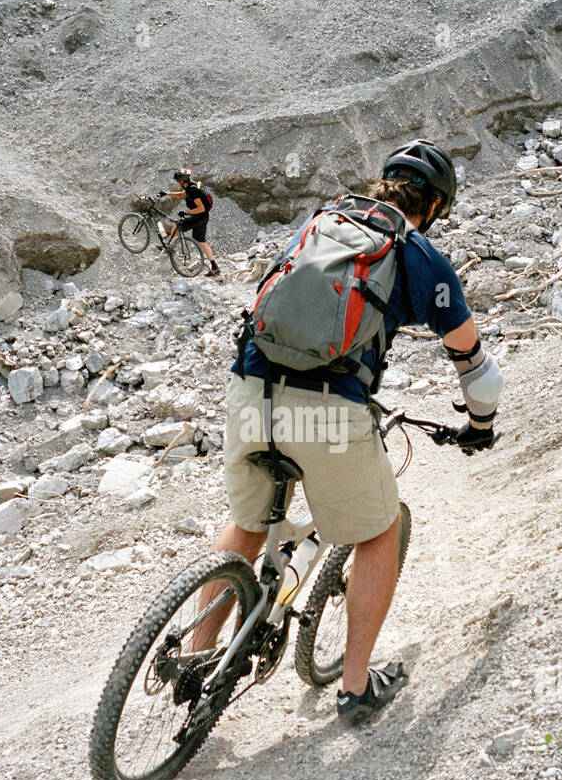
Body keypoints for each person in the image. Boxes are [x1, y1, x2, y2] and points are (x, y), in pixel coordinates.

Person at [215, 139, 503, 724]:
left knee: (248, 525)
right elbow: (473, 362)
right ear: (436, 206)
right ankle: (355, 686)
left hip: (248, 392)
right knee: (381, 529)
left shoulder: (319, 224)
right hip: (327, 410)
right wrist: (480, 424)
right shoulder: (417, 253)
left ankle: (194, 658)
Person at [159, 170, 220, 276]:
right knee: (201, 242)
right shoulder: (192, 186)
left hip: (198, 217)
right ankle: (214, 266)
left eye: (178, 181)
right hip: (204, 217)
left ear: (181, 181)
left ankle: (171, 249)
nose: (177, 183)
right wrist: (167, 193)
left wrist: (187, 212)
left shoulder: (192, 191)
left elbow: (201, 208)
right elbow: (182, 194)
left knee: (176, 225)